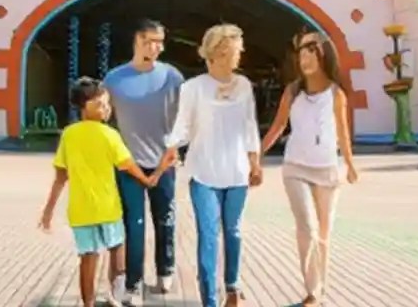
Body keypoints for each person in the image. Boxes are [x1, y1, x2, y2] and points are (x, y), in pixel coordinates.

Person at [153, 23, 261, 307]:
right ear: (218, 53)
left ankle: (232, 285)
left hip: (237, 172)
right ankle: (210, 300)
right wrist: (171, 147)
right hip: (203, 173)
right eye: (234, 51)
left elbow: (250, 126)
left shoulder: (244, 86)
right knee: (209, 235)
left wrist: (255, 161)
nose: (238, 57)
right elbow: (183, 126)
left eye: (239, 51)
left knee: (234, 231)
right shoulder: (193, 88)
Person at [261, 28, 359, 307]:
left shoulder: (336, 93)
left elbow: (342, 132)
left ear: (323, 55)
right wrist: (257, 156)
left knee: (324, 235)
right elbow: (279, 126)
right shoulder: (293, 91)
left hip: (327, 169)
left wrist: (350, 165)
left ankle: (320, 290)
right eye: (301, 52)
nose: (304, 58)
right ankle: (312, 291)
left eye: (310, 51)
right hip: (295, 168)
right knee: (308, 229)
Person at [39, 77, 157, 307]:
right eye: (100, 103)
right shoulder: (109, 135)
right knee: (117, 248)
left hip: (81, 211)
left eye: (107, 104)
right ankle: (115, 291)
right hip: (108, 207)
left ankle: (88, 303)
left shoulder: (69, 135)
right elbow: (128, 164)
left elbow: (60, 177)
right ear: (83, 106)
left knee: (88, 257)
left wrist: (48, 211)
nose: (106, 108)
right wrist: (147, 179)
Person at [102, 19, 183, 304]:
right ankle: (134, 284)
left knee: (165, 220)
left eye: (160, 41)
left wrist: (175, 151)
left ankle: (166, 268)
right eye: (149, 40)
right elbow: (104, 121)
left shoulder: (172, 77)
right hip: (128, 164)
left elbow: (183, 118)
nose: (155, 46)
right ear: (137, 41)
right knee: (134, 224)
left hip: (164, 162)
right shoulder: (114, 79)